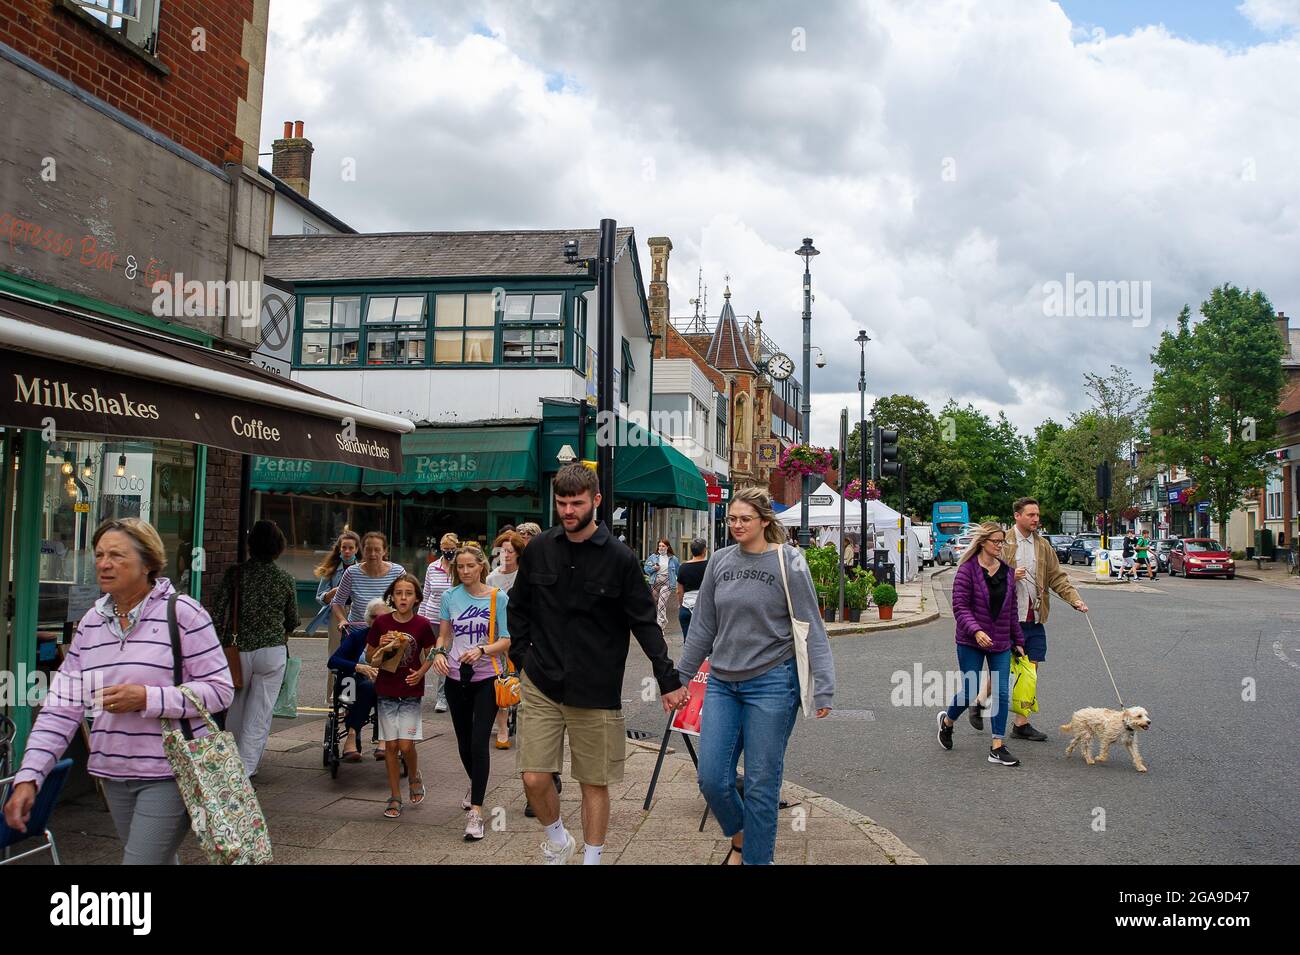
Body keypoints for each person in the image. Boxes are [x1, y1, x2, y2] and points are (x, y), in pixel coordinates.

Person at [3, 518, 233, 864]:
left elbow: (220, 690)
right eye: (99, 555)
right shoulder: (91, 624)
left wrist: (147, 698)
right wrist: (29, 776)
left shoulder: (184, 614)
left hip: (171, 771)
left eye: (117, 555)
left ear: (147, 563)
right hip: (113, 772)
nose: (104, 564)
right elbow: (61, 707)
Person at [508, 464, 689, 865]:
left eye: (577, 503)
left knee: (594, 780)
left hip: (595, 688)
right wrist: (522, 657)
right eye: (561, 503)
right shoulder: (539, 549)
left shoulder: (620, 559)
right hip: (541, 680)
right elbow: (518, 608)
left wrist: (668, 679)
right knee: (533, 777)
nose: (568, 511)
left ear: (596, 501)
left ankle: (592, 860)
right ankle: (557, 840)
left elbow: (644, 621)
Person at [678, 487, 835, 865]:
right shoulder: (719, 562)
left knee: (763, 785)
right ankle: (742, 838)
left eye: (744, 519)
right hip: (722, 682)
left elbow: (811, 625)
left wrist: (825, 686)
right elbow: (702, 627)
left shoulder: (789, 561)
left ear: (765, 521)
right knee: (712, 778)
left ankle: (754, 859)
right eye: (732, 518)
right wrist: (679, 677)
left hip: (773, 683)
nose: (736, 525)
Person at [971, 498, 1087, 740]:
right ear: (1017, 516)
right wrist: (1010, 576)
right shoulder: (1002, 543)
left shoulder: (1043, 545)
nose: (1036, 519)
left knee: (1031, 670)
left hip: (1033, 617)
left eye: (1037, 515)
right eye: (1031, 514)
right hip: (1005, 617)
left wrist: (1074, 599)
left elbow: (1057, 577)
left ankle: (1021, 723)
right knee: (1003, 670)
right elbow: (984, 574)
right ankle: (980, 702)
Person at [433, 545, 511, 841]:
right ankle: (475, 781)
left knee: (479, 742)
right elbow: (444, 634)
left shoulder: (496, 597)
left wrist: (481, 649)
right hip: (454, 677)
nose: (465, 571)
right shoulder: (449, 597)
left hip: (486, 678)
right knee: (464, 742)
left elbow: (505, 640)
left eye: (470, 566)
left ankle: (476, 812)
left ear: (481, 566)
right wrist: (439, 653)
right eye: (460, 567)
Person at [937, 521, 1025, 767]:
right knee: (969, 691)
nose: (1000, 546)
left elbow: (1011, 610)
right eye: (996, 541)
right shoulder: (966, 570)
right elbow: (960, 607)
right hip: (970, 640)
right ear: (983, 542)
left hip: (1000, 641)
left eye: (1002, 541)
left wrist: (1018, 640)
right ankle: (947, 722)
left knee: (1002, 691)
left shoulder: (1007, 572)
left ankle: (997, 745)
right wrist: (976, 632)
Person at [215, 520, 298, 777]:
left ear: (251, 545)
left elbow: (218, 612)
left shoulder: (235, 574)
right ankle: (247, 768)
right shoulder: (285, 578)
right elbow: (292, 620)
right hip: (272, 651)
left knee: (236, 708)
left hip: (238, 649)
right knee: (260, 713)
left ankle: (229, 763)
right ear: (278, 548)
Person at [366, 573, 436, 818]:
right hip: (385, 690)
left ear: (417, 598)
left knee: (406, 745)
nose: (403, 597)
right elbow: (368, 656)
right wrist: (381, 644)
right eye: (398, 593)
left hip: (410, 690)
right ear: (392, 597)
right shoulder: (381, 623)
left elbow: (432, 653)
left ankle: (414, 776)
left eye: (408, 593)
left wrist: (421, 673)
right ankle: (395, 796)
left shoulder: (423, 625)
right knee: (391, 746)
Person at [327, 597, 387, 761]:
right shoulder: (357, 637)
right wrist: (358, 667)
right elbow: (333, 661)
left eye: (383, 617)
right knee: (368, 687)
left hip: (383, 685)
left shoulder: (394, 639)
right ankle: (352, 735)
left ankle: (381, 739)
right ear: (369, 619)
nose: (379, 621)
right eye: (375, 617)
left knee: (381, 688)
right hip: (352, 684)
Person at [487, 530, 527, 749]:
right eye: (502, 551)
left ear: (518, 553)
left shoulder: (525, 575)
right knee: (502, 680)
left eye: (510, 551)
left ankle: (525, 724)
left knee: (522, 680)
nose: (506, 555)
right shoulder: (492, 578)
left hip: (520, 634)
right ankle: (502, 728)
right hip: (497, 634)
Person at [417, 532, 458, 714]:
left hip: (450, 621)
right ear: (441, 548)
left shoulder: (459, 568)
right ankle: (413, 690)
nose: (449, 552)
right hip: (431, 617)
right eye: (446, 549)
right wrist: (420, 618)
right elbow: (426, 594)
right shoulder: (432, 567)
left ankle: (442, 697)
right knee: (423, 657)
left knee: (444, 657)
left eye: (452, 549)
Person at [312, 531, 361, 633]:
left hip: (358, 612)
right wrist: (332, 592)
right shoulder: (331, 570)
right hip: (337, 612)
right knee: (335, 647)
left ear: (356, 549)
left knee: (355, 646)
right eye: (344, 548)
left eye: (351, 548)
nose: (347, 551)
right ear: (339, 549)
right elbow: (320, 597)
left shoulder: (362, 570)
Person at [674, 537, 709, 639]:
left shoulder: (683, 567)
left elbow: (679, 591)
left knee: (688, 642)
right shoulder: (710, 566)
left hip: (686, 608)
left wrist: (681, 606)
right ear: (704, 550)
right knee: (706, 644)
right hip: (705, 609)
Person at [642, 539, 680, 630]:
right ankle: (661, 620)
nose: (661, 548)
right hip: (655, 582)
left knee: (661, 603)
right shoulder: (653, 557)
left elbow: (678, 572)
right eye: (660, 546)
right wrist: (654, 568)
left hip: (667, 582)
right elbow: (646, 569)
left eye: (663, 546)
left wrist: (679, 584)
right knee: (654, 604)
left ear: (668, 547)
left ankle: (660, 625)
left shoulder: (673, 559)